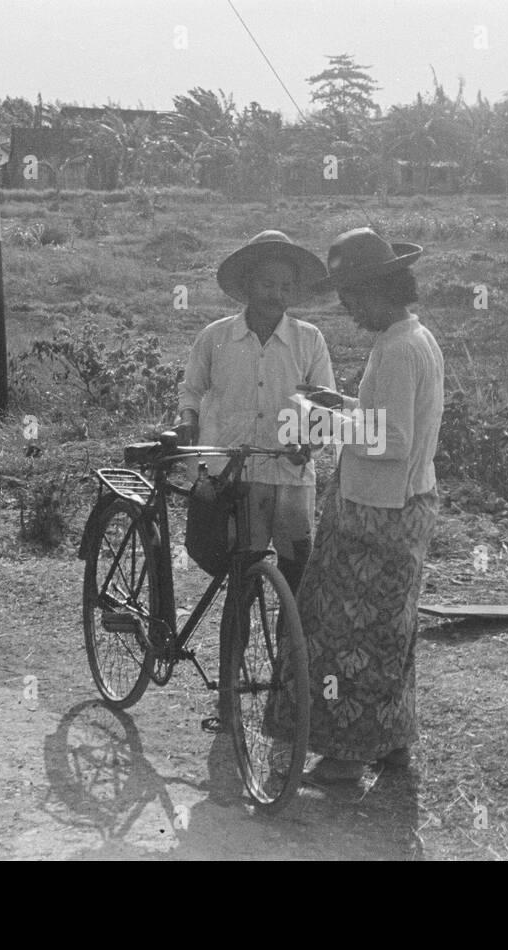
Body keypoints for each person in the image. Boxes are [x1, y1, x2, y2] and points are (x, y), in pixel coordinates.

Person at [295, 228, 444, 783]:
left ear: (375, 288)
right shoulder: (411, 338)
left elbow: (395, 439)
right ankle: (391, 741)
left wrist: (323, 422)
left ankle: (346, 753)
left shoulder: (401, 348)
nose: (347, 309)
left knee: (347, 633)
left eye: (350, 297)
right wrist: (345, 404)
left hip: (377, 514)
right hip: (400, 504)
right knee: (391, 631)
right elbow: (385, 416)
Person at [177, 231, 333, 716]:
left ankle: (288, 694)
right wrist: (187, 433)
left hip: (290, 482)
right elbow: (191, 394)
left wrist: (311, 439)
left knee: (293, 582)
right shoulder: (215, 337)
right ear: (247, 286)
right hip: (235, 478)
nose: (276, 294)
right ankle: (227, 696)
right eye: (267, 284)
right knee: (241, 582)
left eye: (285, 286)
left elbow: (326, 407)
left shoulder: (309, 341)